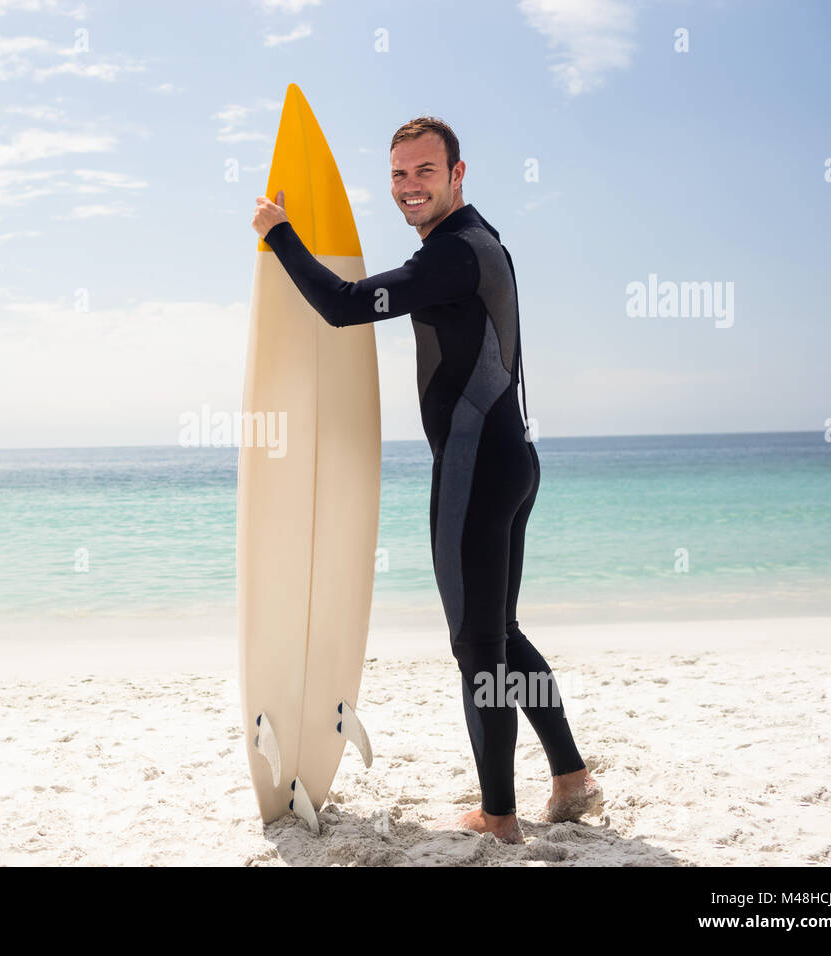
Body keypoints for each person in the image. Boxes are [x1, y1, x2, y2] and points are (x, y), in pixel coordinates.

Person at [250, 116, 602, 844]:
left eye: (424, 172)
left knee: (477, 647)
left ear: (457, 173)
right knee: (498, 631)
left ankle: (498, 816)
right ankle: (570, 778)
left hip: (475, 469)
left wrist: (279, 234)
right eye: (399, 174)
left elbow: (347, 308)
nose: (409, 187)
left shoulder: (450, 255)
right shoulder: (485, 242)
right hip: (513, 459)